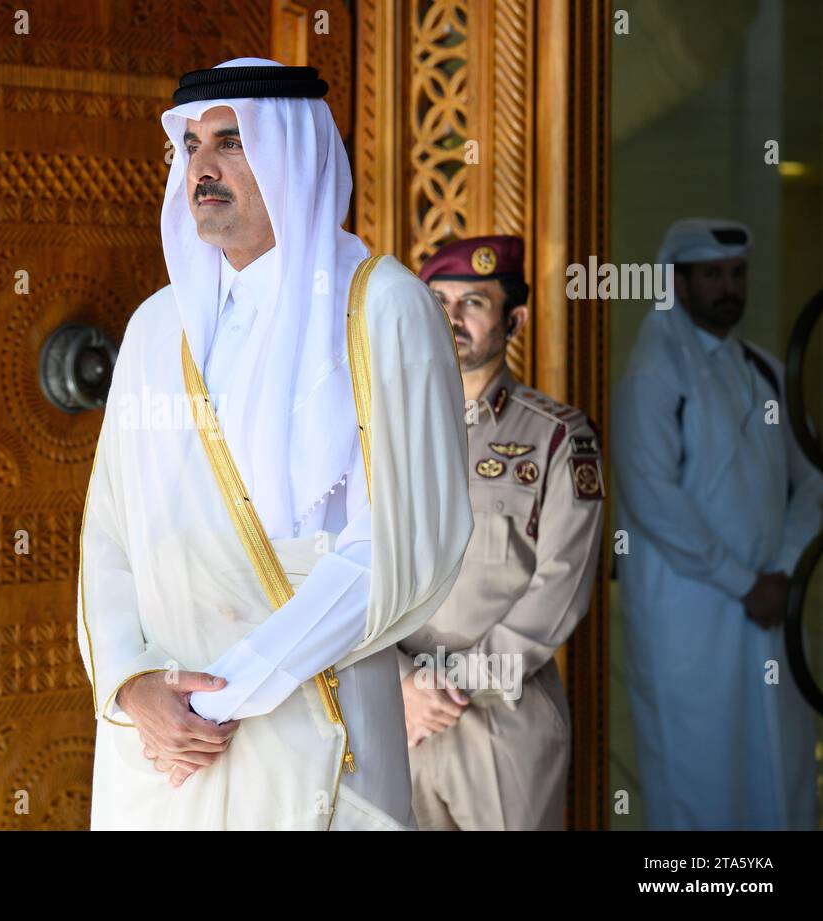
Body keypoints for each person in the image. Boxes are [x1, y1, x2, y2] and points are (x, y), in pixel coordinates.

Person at [75, 58, 473, 830]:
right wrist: (134, 687)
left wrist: (231, 688)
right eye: (190, 147)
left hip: (307, 719)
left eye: (231, 142)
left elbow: (394, 546)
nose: (204, 169)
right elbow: (110, 535)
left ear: (294, 151)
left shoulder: (385, 309)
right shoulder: (158, 327)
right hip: (165, 748)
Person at [614, 217, 823, 829]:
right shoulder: (651, 378)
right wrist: (742, 581)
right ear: (677, 283)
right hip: (692, 617)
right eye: (711, 275)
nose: (728, 287)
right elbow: (655, 502)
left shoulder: (761, 369)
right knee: (697, 775)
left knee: (779, 766)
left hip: (768, 606)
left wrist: (781, 572)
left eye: (736, 274)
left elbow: (810, 480)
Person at [396, 236, 605, 830]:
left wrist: (449, 685)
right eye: (440, 300)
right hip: (398, 715)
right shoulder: (382, 431)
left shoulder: (560, 438)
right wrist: (402, 683)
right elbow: (348, 567)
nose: (453, 318)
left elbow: (560, 589)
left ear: (513, 319)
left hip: (500, 717)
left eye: (474, 303)